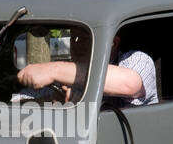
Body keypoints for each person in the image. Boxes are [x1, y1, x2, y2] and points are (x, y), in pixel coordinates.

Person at [16, 31, 158, 106]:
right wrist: (52, 99)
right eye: (73, 39)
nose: (77, 45)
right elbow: (15, 102)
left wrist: (53, 70)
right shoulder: (65, 76)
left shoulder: (136, 59)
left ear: (114, 42)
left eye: (85, 38)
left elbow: (130, 84)